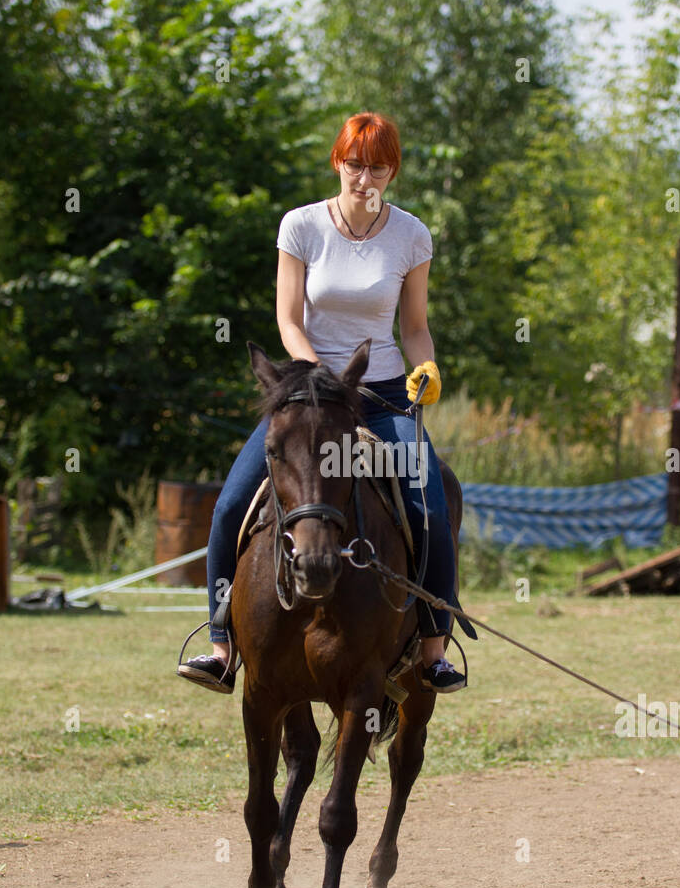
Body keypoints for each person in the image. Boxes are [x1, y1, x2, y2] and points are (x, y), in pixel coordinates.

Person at [178, 110, 466, 695]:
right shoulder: (301, 226)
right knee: (231, 504)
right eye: (355, 165)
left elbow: (413, 326)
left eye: (377, 167)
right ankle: (219, 645)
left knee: (430, 506)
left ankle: (434, 648)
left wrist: (427, 365)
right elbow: (287, 319)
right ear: (338, 162)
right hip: (310, 394)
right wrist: (315, 377)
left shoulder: (411, 234)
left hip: (382, 397)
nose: (365, 177)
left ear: (392, 170)